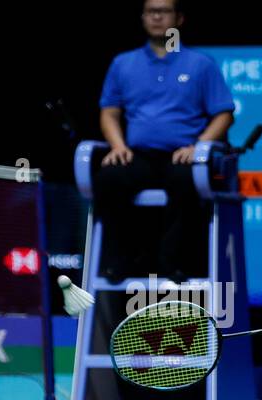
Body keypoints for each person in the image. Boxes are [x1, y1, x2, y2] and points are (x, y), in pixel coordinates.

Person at [93, 0, 234, 283]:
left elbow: (224, 115)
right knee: (109, 178)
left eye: (164, 10)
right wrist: (118, 146)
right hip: (139, 154)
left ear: (179, 18)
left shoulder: (201, 64)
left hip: (182, 154)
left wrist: (199, 146)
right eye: (150, 11)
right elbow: (109, 113)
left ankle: (173, 264)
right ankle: (119, 262)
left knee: (186, 180)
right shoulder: (123, 63)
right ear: (143, 18)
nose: (157, 16)